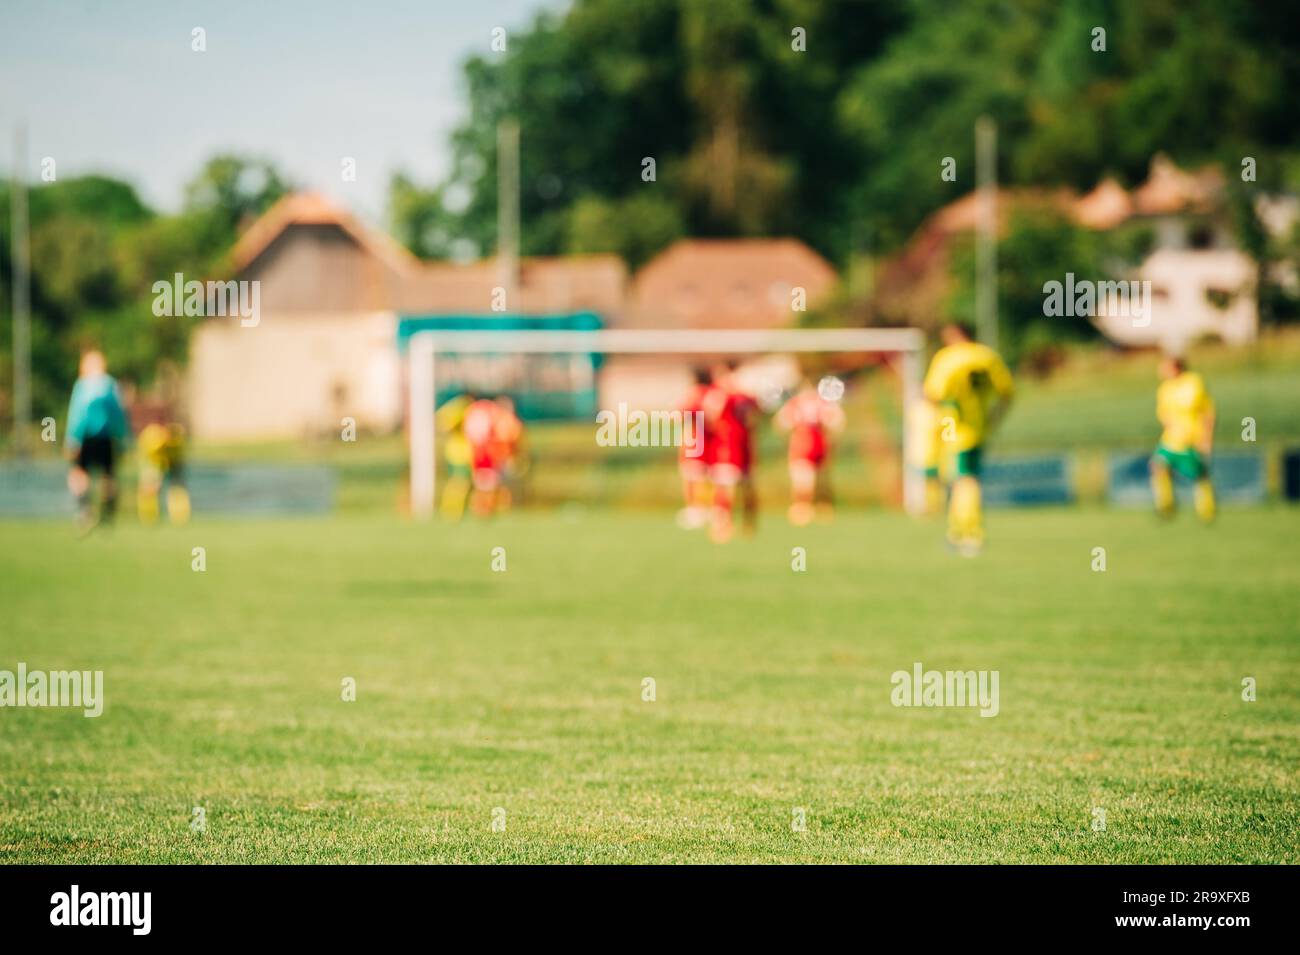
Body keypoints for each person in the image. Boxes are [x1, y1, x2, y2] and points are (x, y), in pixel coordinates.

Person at [922, 322, 1014, 555]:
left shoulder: (949, 358)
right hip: (978, 427)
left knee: (963, 480)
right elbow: (1007, 394)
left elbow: (933, 395)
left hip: (952, 428)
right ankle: (957, 533)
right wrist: (993, 419)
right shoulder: (987, 357)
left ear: (954, 335)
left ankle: (969, 533)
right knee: (964, 478)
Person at [64, 350, 129, 532]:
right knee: (108, 475)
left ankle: (85, 510)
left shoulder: (83, 385)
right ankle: (107, 514)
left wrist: (72, 439)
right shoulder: (110, 384)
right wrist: (122, 437)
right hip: (107, 437)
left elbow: (76, 414)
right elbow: (119, 414)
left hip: (86, 437)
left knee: (79, 473)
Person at [1150, 355, 1216, 523]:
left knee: (1199, 474)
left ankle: (1206, 510)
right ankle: (1166, 505)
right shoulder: (1164, 388)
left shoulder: (1193, 383)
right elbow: (1164, 414)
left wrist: (1206, 438)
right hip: (1171, 439)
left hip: (1191, 438)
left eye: (1165, 366)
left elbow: (1207, 411)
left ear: (1176, 367)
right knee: (1158, 465)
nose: (1161, 370)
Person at [775, 381, 846, 526]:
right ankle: (816, 507)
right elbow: (837, 421)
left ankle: (803, 508)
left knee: (803, 478)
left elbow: (780, 423)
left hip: (802, 442)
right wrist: (831, 438)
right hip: (817, 442)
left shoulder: (795, 403)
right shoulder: (823, 402)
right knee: (817, 478)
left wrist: (789, 438)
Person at [704, 362, 759, 542]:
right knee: (725, 485)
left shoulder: (743, 397)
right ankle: (722, 524)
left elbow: (756, 418)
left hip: (742, 447)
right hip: (725, 447)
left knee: (746, 486)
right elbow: (709, 417)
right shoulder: (717, 395)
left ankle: (747, 524)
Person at [136, 415, 191, 525]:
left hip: (172, 462)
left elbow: (179, 449)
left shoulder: (176, 433)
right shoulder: (152, 433)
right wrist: (163, 440)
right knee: (150, 489)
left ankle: (180, 517)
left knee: (177, 488)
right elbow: (151, 449)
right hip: (154, 463)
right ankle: (149, 516)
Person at [676, 367, 713, 529]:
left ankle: (695, 509)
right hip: (711, 440)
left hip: (694, 441)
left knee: (691, 476)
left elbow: (679, 414)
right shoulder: (713, 394)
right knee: (707, 476)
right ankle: (709, 507)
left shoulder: (694, 395)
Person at [436, 393, 474, 521]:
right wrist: (456, 427)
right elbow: (444, 423)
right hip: (459, 453)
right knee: (459, 483)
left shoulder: (459, 406)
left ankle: (454, 510)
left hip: (461, 452)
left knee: (460, 483)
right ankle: (452, 510)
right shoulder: (461, 407)